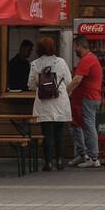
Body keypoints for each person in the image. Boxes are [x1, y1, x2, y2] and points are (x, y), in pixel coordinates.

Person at [27, 36, 72, 172]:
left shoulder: (35, 64)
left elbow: (31, 85)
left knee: (47, 134)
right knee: (59, 133)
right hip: (60, 101)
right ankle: (59, 161)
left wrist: (41, 86)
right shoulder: (61, 62)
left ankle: (49, 163)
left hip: (44, 103)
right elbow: (69, 81)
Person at [67, 35, 103, 168]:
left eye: (75, 46)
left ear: (80, 45)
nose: (74, 49)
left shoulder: (87, 59)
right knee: (76, 125)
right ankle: (82, 154)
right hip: (84, 98)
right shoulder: (89, 58)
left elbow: (77, 80)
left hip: (88, 98)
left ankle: (93, 158)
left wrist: (65, 92)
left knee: (88, 126)